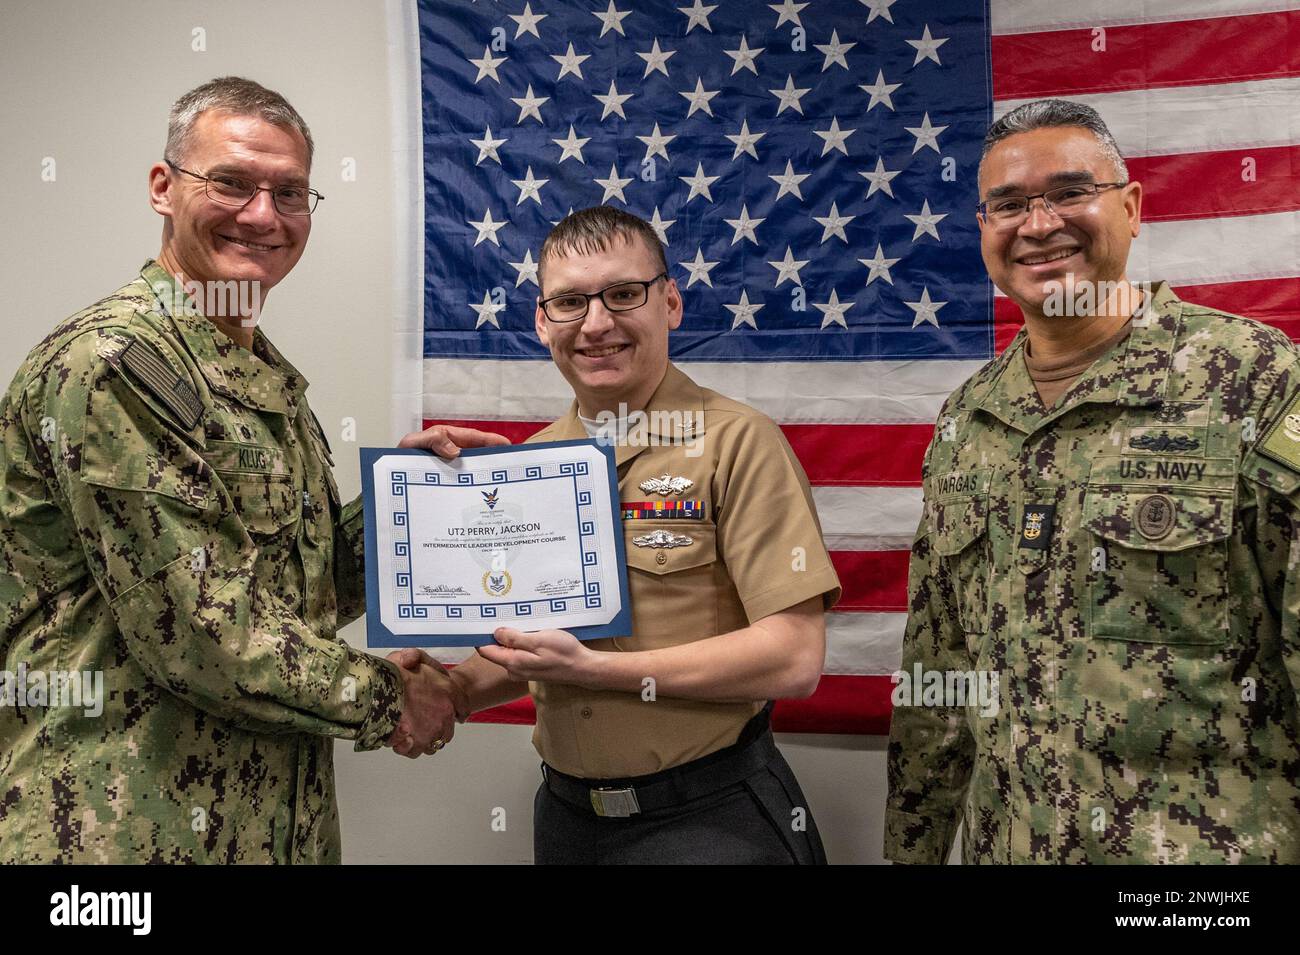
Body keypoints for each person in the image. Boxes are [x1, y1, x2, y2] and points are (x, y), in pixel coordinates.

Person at [0, 77, 491, 863]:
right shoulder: (120, 365)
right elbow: (206, 636)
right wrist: (390, 696)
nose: (263, 215)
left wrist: (412, 508)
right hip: (117, 841)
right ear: (164, 187)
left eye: (289, 193)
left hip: (262, 830)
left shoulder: (251, 370)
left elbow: (288, 589)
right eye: (231, 182)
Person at [885, 98, 1300, 864]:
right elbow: (936, 673)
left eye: (1071, 193)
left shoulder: (1252, 379)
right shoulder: (967, 420)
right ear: (984, 231)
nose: (1039, 225)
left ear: (1133, 207)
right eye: (1008, 205)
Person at [401, 206, 841, 864]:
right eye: (571, 301)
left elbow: (795, 656)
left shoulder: (738, 442)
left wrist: (598, 670)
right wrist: (456, 690)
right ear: (542, 322)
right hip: (569, 823)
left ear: (670, 303)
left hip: (709, 822)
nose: (597, 322)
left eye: (623, 294)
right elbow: (537, 642)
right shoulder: (531, 464)